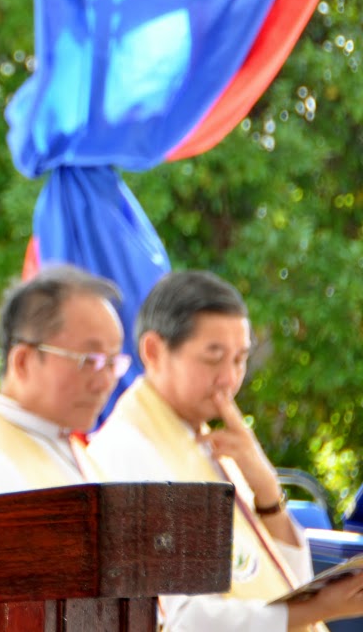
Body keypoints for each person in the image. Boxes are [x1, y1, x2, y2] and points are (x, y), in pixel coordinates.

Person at [88, 268, 363, 631]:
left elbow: (288, 584)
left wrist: (265, 487)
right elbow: (181, 620)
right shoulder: (124, 451)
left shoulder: (209, 440)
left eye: (239, 359)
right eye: (213, 358)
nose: (229, 378)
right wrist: (314, 611)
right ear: (154, 351)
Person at [0, 265, 126, 492]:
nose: (105, 383)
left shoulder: (69, 445)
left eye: (112, 363)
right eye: (89, 360)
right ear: (22, 362)